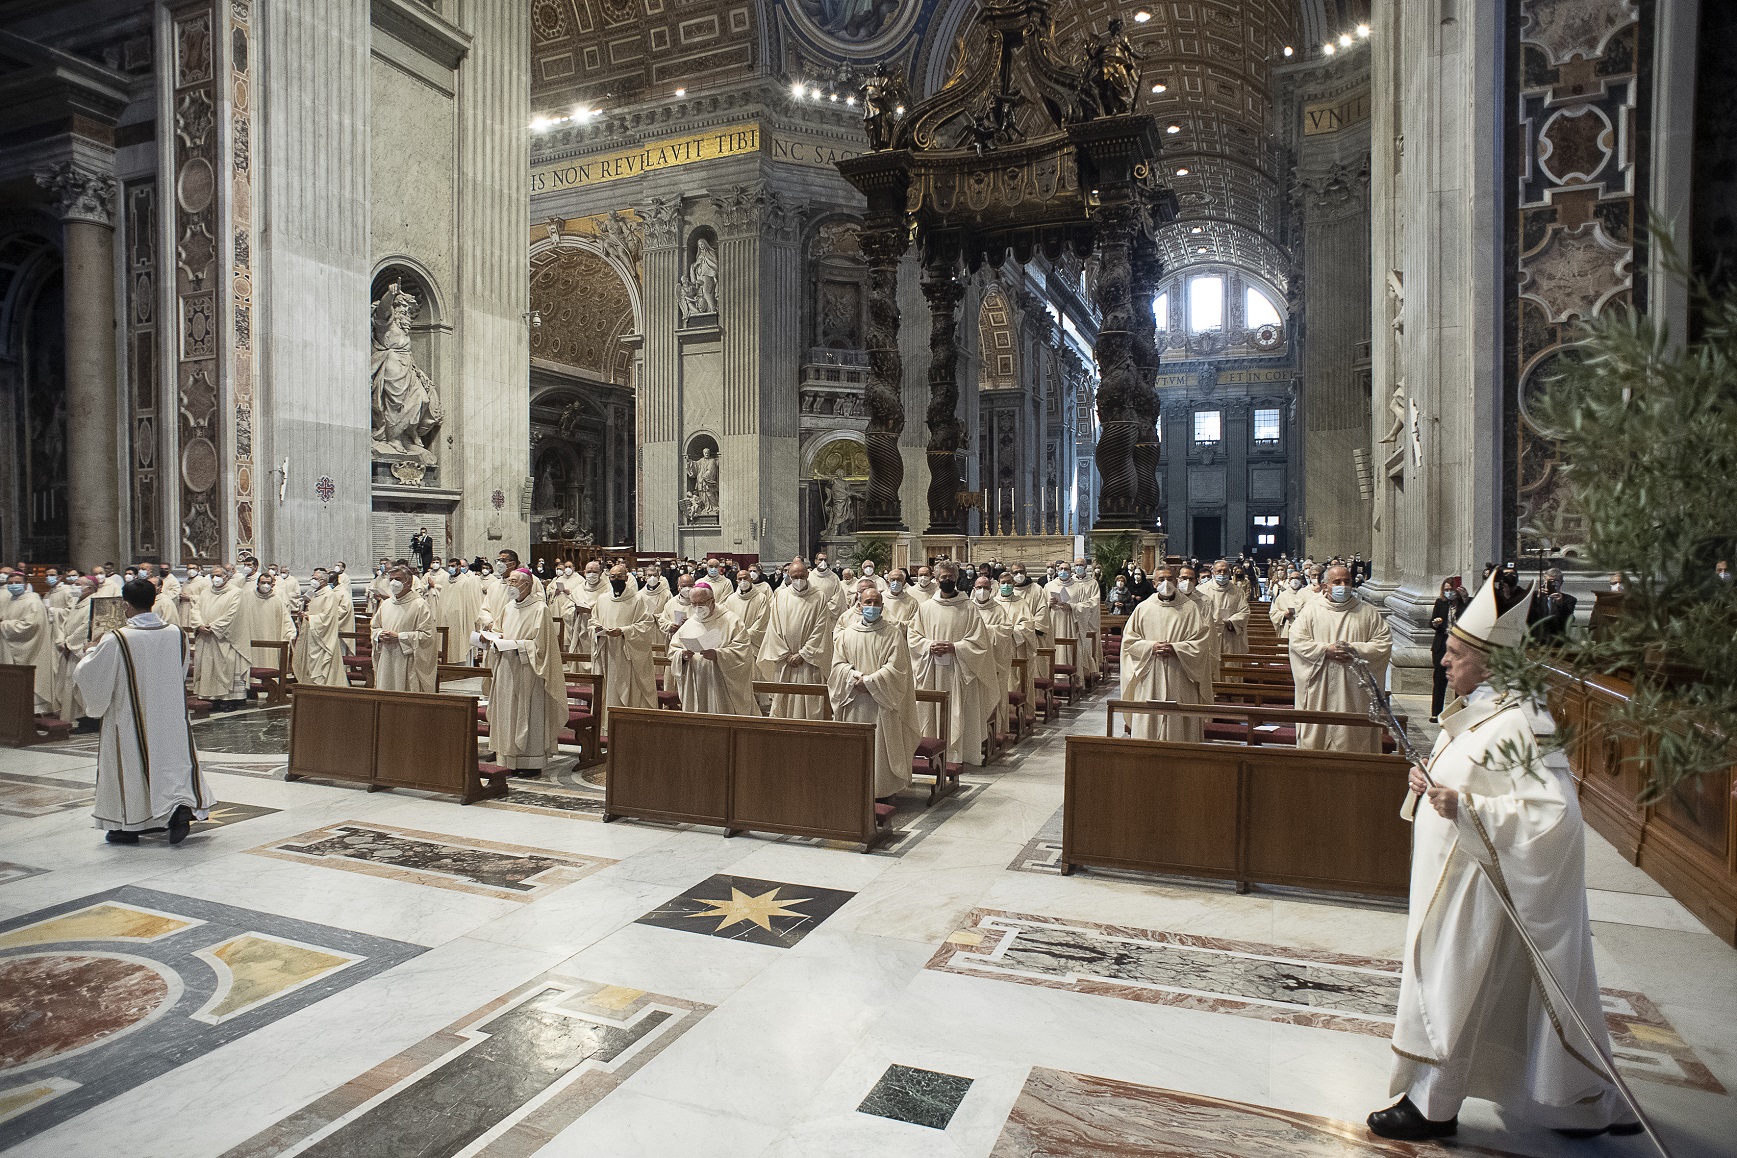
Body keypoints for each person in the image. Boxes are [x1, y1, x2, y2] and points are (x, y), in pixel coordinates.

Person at [1369, 576, 1641, 1142]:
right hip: (1462, 877)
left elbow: (1556, 815)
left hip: (1487, 882)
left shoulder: (1525, 721)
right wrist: (1427, 783)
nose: (1443, 659)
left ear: (1490, 663)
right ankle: (1571, 1104)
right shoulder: (1476, 711)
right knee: (1469, 987)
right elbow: (1459, 774)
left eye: (1456, 652)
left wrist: (1467, 807)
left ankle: (1434, 1105)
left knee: (1459, 986)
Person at [75, 579, 213, 844]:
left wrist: (88, 652)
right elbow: (181, 670)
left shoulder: (118, 638)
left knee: (131, 763)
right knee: (170, 762)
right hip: (170, 713)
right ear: (154, 600)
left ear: (125, 605)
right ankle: (176, 809)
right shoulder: (176, 633)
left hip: (129, 714)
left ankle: (127, 827)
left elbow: (90, 673)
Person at [1288, 564, 1392, 751]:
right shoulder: (1311, 611)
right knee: (1317, 742)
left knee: (1353, 741)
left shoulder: (1367, 613)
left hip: (1354, 692)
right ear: (1325, 586)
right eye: (1337, 582)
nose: (1342, 585)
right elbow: (1296, 642)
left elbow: (1383, 644)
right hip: (1320, 689)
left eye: (1347, 581)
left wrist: (1354, 650)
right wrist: (1325, 650)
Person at [829, 587, 920, 798]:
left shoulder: (893, 634)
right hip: (854, 702)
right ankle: (854, 788)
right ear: (859, 605)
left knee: (880, 748)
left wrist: (870, 682)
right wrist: (854, 677)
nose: (871, 607)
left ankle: (883, 790)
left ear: (882, 606)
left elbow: (898, 669)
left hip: (882, 703)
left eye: (876, 603)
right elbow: (837, 666)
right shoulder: (848, 634)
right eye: (867, 603)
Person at [482, 568, 567, 776]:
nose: (509, 585)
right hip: (506, 669)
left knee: (528, 714)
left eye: (514, 581)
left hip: (529, 670)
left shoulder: (540, 610)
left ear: (526, 585)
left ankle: (530, 762)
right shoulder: (508, 607)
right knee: (506, 713)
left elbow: (543, 646)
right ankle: (507, 758)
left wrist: (516, 646)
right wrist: (490, 638)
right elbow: (498, 630)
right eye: (509, 581)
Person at [909, 561, 995, 767]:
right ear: (936, 579)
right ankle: (930, 752)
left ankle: (960, 754)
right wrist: (929, 645)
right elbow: (913, 637)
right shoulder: (926, 608)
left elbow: (979, 642)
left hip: (960, 670)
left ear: (956, 579)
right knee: (930, 711)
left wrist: (955, 647)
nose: (946, 580)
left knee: (959, 712)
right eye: (943, 577)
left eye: (950, 577)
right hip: (931, 670)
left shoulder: (969, 607)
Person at [1120, 565, 1213, 741]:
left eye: (1170, 579)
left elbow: (1201, 643)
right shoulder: (1143, 608)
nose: (1166, 583)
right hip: (1150, 676)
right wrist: (1151, 647)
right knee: (1149, 724)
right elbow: (1129, 641)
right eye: (1161, 580)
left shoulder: (1190, 608)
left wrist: (1176, 649)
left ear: (1176, 581)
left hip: (1180, 674)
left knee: (1179, 726)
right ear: (1154, 583)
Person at [760, 558, 834, 719]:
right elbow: (774, 627)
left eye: (802, 576)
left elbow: (821, 629)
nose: (798, 580)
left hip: (809, 662)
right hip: (785, 661)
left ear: (808, 574)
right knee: (783, 705)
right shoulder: (781, 595)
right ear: (788, 576)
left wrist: (803, 653)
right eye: (795, 577)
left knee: (810, 705)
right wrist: (785, 654)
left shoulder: (819, 597)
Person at [669, 579, 756, 715]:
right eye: (694, 604)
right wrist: (682, 656)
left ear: (712, 601)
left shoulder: (731, 621)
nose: (698, 607)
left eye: (702, 603)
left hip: (720, 684)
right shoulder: (689, 624)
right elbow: (673, 649)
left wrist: (719, 655)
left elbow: (743, 651)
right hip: (696, 682)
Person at [590, 563, 659, 729]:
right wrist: (598, 629)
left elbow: (645, 624)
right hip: (608, 652)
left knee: (629, 689)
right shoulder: (603, 599)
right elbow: (593, 620)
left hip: (628, 653)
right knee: (609, 687)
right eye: (612, 577)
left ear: (627, 578)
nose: (616, 580)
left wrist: (623, 631)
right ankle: (607, 725)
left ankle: (631, 724)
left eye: (619, 576)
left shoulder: (638, 599)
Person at [189, 565, 250, 709]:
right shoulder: (205, 592)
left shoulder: (236, 593)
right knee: (208, 667)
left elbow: (233, 614)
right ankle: (211, 697)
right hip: (206, 638)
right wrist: (199, 625)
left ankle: (229, 699)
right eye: (212, 575)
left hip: (225, 638)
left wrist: (213, 627)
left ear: (227, 576)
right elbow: (195, 611)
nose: (215, 578)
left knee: (226, 666)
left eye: (218, 575)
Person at [371, 564, 437, 692]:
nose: (393, 583)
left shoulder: (420, 605)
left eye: (398, 579)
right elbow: (375, 627)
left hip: (408, 660)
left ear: (409, 582)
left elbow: (427, 636)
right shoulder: (386, 604)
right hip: (387, 659)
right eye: (391, 579)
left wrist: (400, 637)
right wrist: (379, 635)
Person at [970, 574, 1017, 740]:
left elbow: (1006, 631)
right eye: (979, 588)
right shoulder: (968, 608)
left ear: (991, 590)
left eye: (986, 588)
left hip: (993, 663)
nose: (982, 591)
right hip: (972, 665)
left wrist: (986, 630)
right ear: (974, 589)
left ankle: (995, 730)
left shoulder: (998, 609)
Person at [1, 570, 55, 713]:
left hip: (30, 648)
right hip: (10, 646)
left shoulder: (33, 601)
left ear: (25, 585)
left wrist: (3, 625)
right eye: (10, 583)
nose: (13, 586)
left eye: (17, 583)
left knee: (31, 682)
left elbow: (30, 625)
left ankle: (33, 711)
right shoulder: (9, 600)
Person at [50, 576, 100, 727]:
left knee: (78, 686)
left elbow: (87, 626)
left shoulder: (94, 603)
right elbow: (65, 622)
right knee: (68, 683)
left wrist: (69, 643)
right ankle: (72, 718)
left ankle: (85, 719)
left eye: (78, 584)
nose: (74, 586)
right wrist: (62, 641)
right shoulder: (78, 603)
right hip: (70, 650)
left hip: (80, 650)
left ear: (90, 588)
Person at [238, 572, 297, 685]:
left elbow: (286, 620)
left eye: (268, 583)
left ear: (272, 584)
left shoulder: (277, 599)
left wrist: (290, 634)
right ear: (258, 583)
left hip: (272, 642)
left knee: (270, 662)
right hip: (251, 640)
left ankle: (272, 687)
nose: (265, 585)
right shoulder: (247, 596)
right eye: (263, 582)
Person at [292, 569, 348, 687]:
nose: (312, 580)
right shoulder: (316, 595)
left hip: (323, 639)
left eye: (315, 578)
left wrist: (309, 618)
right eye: (312, 578)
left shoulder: (329, 595)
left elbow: (327, 618)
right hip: (312, 636)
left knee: (322, 669)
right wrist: (303, 617)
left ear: (323, 581)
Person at [1428, 577, 1468, 721]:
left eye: (1451, 589)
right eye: (1446, 590)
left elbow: (1468, 619)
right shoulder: (1441, 603)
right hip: (1442, 644)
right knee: (1439, 679)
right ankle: (1436, 712)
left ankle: (1458, 711)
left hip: (1458, 646)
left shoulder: (1464, 604)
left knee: (1459, 678)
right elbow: (1431, 622)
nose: (1448, 592)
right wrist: (1436, 623)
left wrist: (1465, 600)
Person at [1201, 558, 1250, 664]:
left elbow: (1244, 611)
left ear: (1229, 572)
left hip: (1230, 635)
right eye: (1219, 571)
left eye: (1225, 571)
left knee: (1231, 668)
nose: (1222, 574)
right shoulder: (1202, 590)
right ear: (1213, 572)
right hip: (1209, 636)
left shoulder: (1237, 591)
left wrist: (1232, 621)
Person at [721, 567, 773, 661]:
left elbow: (763, 621)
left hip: (753, 643)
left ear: (751, 579)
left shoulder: (761, 598)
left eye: (745, 578)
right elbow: (727, 621)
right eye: (740, 579)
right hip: (735, 642)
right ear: (736, 581)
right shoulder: (731, 599)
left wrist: (746, 634)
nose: (743, 581)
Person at [1527, 567, 1577, 642]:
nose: (1553, 584)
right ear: (1544, 581)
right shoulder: (1534, 596)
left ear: (1561, 582)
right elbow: (1528, 616)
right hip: (1536, 639)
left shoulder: (1569, 600)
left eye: (1556, 581)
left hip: (1557, 640)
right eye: (1549, 581)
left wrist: (1560, 604)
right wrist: (1537, 599)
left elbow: (1568, 620)